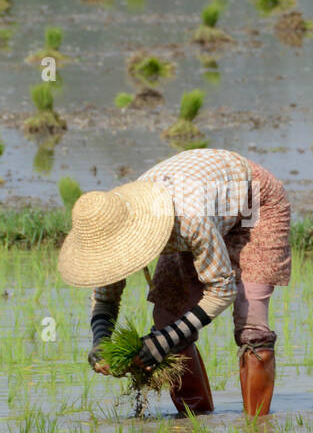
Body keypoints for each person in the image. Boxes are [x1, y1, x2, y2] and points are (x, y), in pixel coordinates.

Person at [58, 149, 290, 415]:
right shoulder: (111, 225)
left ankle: (257, 432)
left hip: (254, 202)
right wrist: (100, 341)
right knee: (167, 317)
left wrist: (164, 342)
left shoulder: (188, 221)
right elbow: (106, 296)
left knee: (252, 329)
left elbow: (222, 290)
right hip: (203, 201)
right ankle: (193, 422)